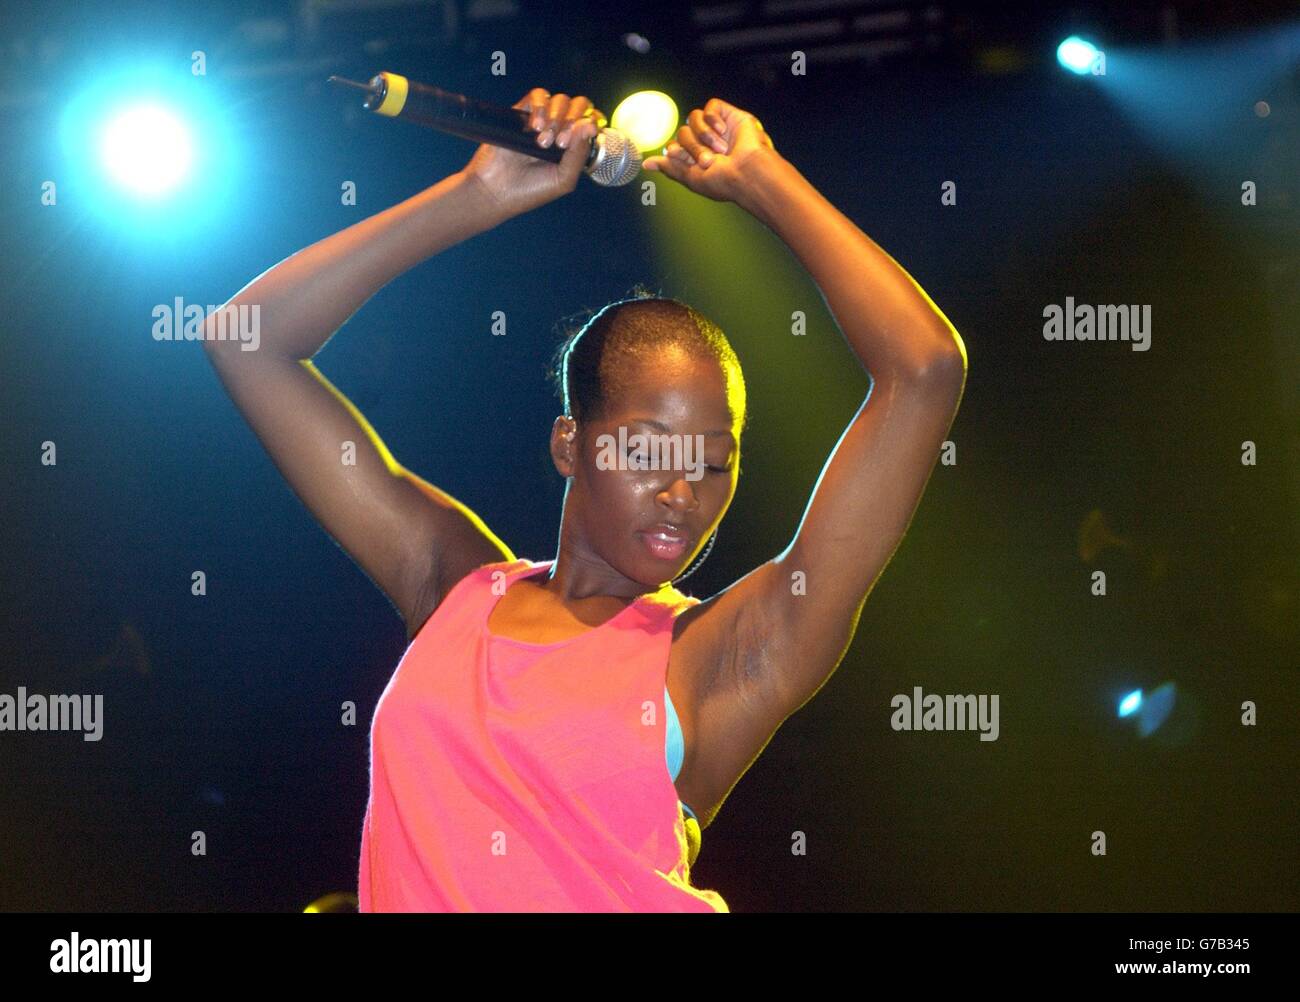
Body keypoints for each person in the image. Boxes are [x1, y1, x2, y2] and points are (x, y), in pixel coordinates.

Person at [202, 88, 967, 912]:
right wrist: (477, 196)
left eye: (713, 464)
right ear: (572, 444)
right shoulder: (451, 584)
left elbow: (924, 371)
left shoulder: (721, 656)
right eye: (646, 451)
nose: (683, 493)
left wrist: (764, 181)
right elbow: (246, 338)